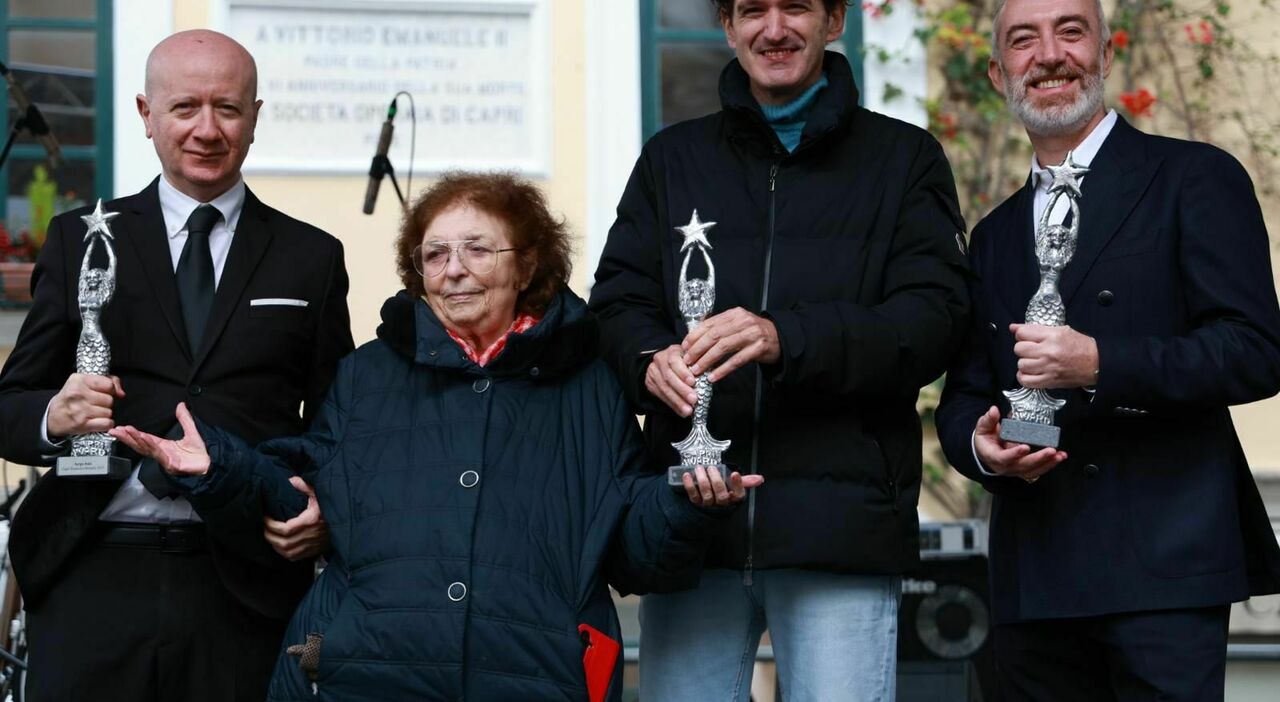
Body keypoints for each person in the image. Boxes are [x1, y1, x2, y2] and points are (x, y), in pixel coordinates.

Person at [112, 171, 762, 702]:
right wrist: (221, 465)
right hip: (364, 678)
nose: (454, 270)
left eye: (479, 249)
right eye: (435, 254)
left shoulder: (591, 385)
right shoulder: (369, 373)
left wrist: (685, 501)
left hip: (537, 678)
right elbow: (309, 492)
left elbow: (626, 547)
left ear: (528, 262)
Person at [588, 0, 970, 699]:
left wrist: (783, 336)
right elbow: (616, 304)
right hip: (691, 524)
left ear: (834, 21)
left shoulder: (904, 161)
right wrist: (648, 361)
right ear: (727, 28)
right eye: (751, 10)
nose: (773, 28)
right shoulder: (673, 159)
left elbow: (931, 323)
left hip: (839, 534)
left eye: (795, 7)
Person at [934, 0, 1280, 699]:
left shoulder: (1194, 179)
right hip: (1038, 569)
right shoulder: (994, 235)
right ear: (1001, 72)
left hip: (1166, 567)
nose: (1050, 55)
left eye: (1071, 31)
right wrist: (980, 445)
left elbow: (1254, 351)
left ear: (1106, 53)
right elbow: (966, 392)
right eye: (1024, 41)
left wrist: (1102, 365)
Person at [0, 30, 353, 702]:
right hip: (89, 568)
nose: (207, 129)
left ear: (255, 117)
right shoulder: (80, 238)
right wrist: (53, 414)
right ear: (145, 114)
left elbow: (338, 420)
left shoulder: (311, 257)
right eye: (185, 107)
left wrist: (324, 507)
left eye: (228, 108)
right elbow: (9, 407)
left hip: (245, 579)